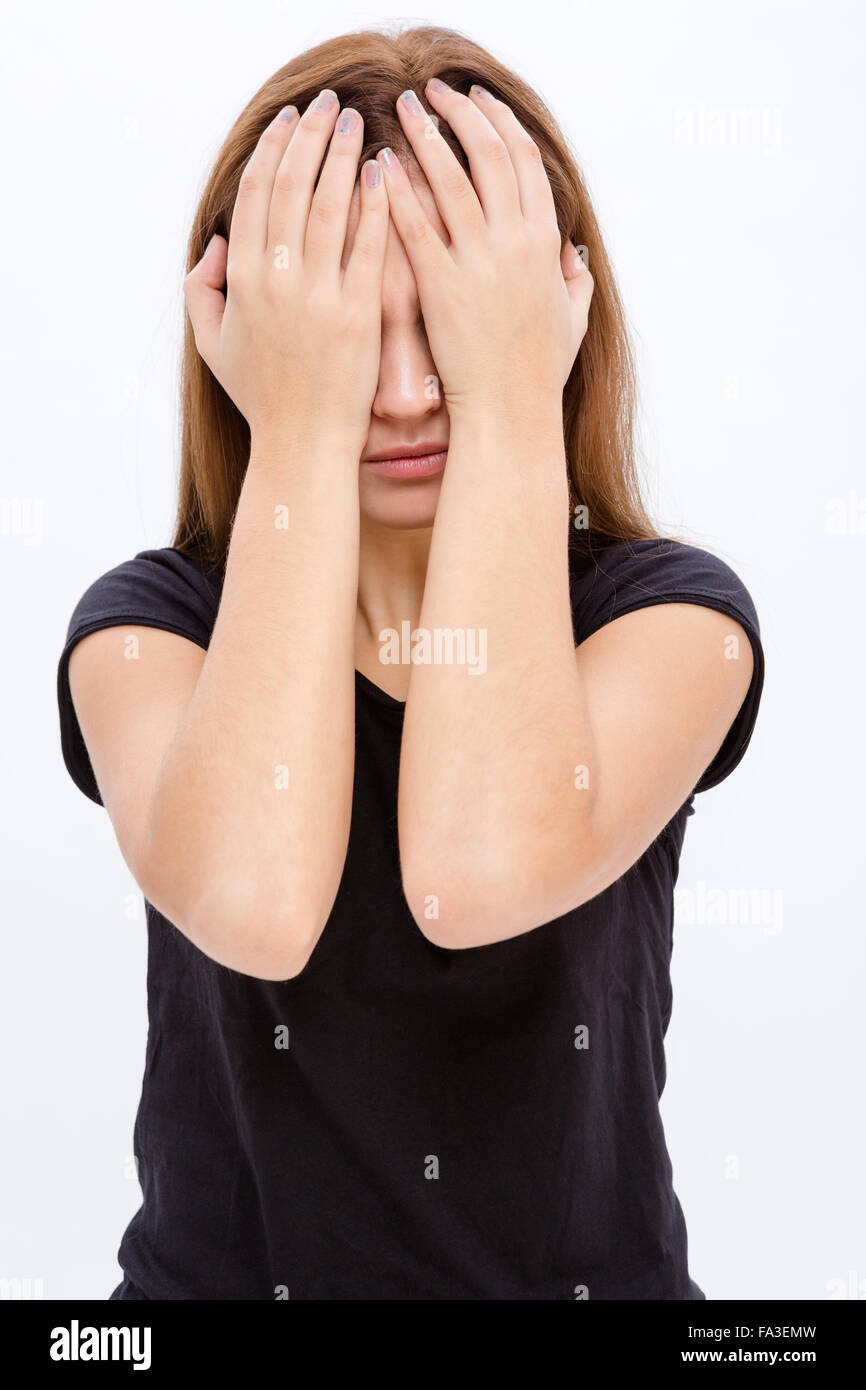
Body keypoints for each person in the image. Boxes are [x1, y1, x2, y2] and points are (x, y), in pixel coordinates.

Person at [57, 25, 764, 1300]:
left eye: (446, 324)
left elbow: (474, 874)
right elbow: (257, 908)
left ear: (542, 317)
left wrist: (507, 401)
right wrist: (297, 426)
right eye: (344, 335)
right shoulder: (145, 629)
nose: (396, 390)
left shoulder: (669, 620)